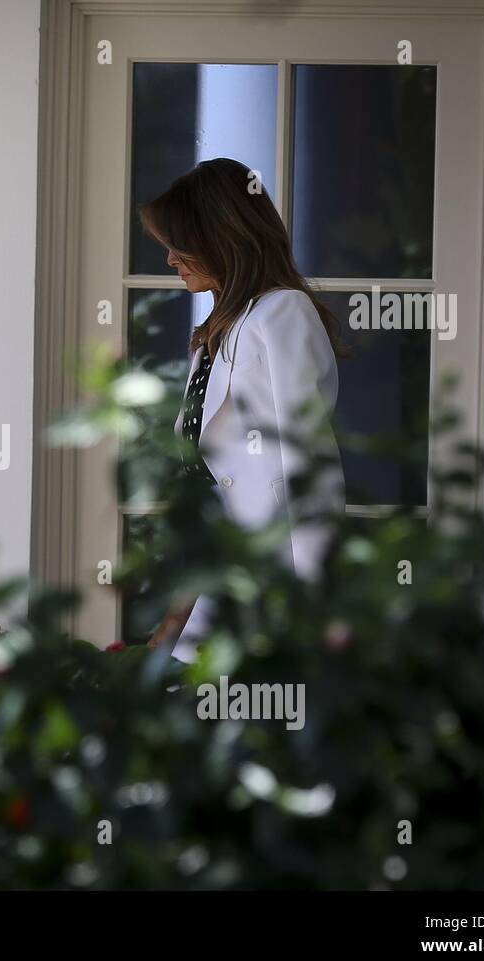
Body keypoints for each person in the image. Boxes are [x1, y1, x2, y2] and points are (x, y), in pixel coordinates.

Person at [139, 158, 345, 662]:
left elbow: (309, 467)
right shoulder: (215, 334)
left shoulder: (282, 313)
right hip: (217, 600)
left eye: (179, 243)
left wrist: (315, 616)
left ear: (220, 237)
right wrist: (173, 620)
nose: (169, 259)